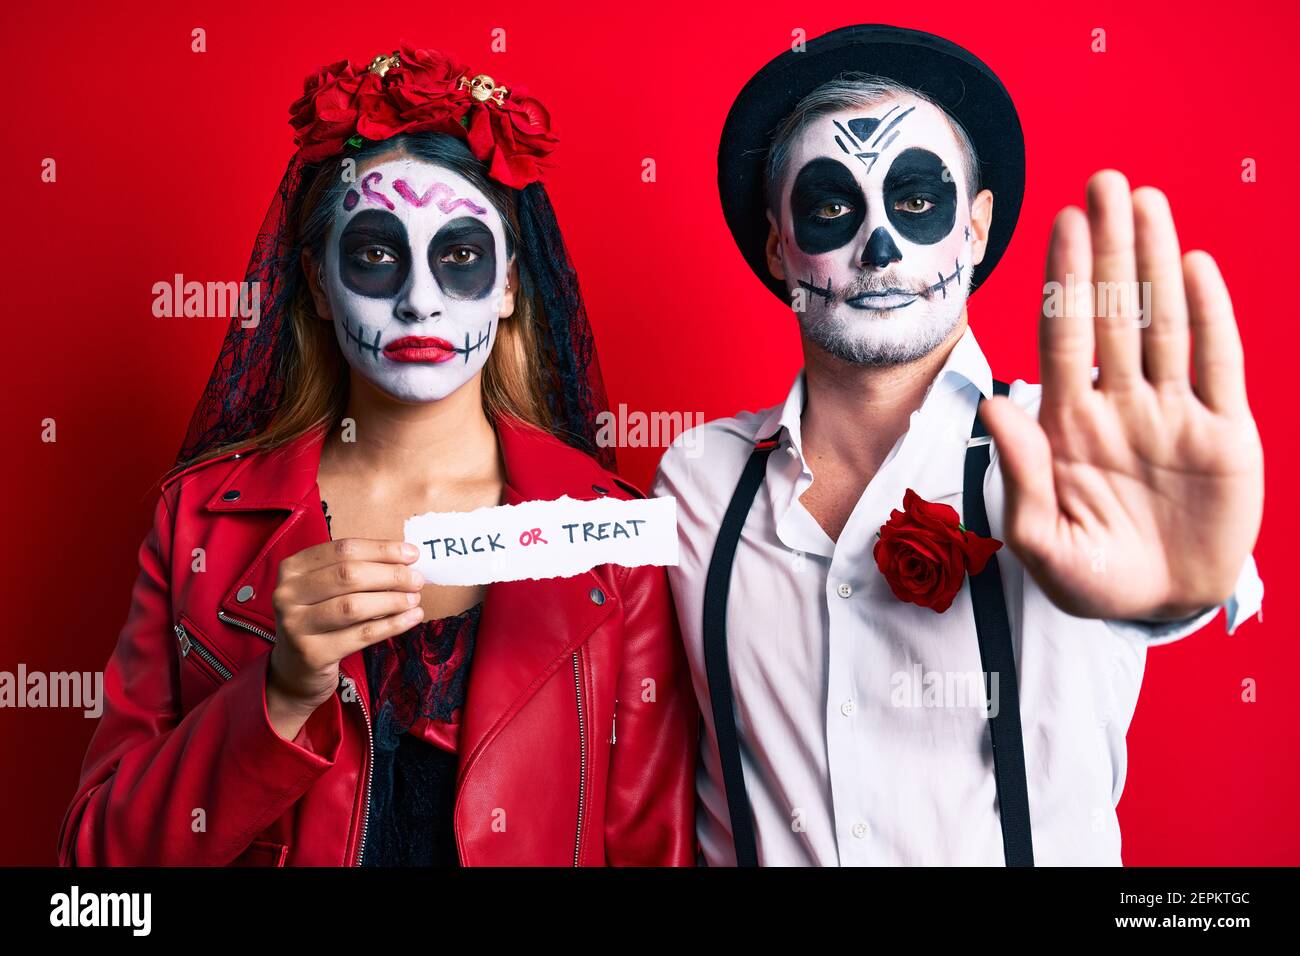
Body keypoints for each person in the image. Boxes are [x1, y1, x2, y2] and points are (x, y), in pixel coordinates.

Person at [58, 45, 696, 866]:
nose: (419, 298)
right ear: (319, 286)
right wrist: (278, 696)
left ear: (508, 285)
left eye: (460, 257)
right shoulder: (195, 521)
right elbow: (98, 872)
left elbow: (656, 847)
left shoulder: (612, 535)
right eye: (374, 254)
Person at [654, 24, 1264, 866]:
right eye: (832, 206)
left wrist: (1175, 589)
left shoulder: (1074, 446)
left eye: (914, 201)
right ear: (776, 245)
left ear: (975, 229)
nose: (879, 247)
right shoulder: (693, 483)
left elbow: (1182, 571)